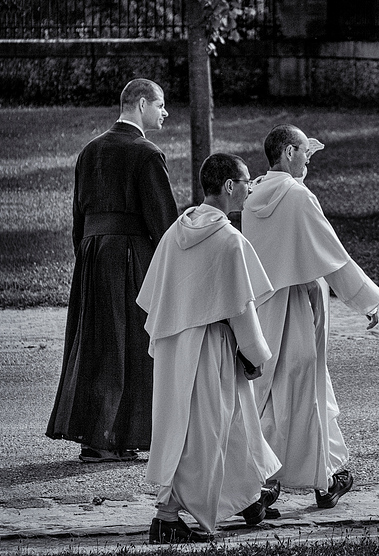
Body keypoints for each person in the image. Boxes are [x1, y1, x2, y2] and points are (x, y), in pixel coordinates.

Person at [136, 153, 281, 544]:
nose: (251, 188)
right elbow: (241, 308)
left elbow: (155, 296)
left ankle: (245, 496)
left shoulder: (175, 230)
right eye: (247, 181)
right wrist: (256, 355)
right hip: (210, 348)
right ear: (230, 186)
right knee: (202, 432)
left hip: (174, 345)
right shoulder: (228, 239)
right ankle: (166, 517)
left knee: (230, 423)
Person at [242, 124, 379, 509]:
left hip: (264, 304)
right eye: (304, 153)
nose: (308, 160)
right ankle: (323, 476)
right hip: (300, 304)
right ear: (289, 152)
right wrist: (367, 300)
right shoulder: (297, 195)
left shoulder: (253, 193)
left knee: (268, 390)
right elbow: (332, 254)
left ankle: (267, 475)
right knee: (310, 388)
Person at [46, 78, 179, 462]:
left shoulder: (89, 151)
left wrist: (86, 255)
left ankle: (96, 436)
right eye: (160, 105)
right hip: (128, 255)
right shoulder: (146, 153)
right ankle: (115, 438)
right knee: (130, 343)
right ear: (141, 104)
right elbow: (164, 222)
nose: (165, 113)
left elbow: (79, 216)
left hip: (92, 254)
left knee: (96, 342)